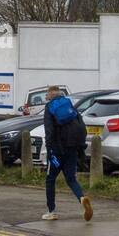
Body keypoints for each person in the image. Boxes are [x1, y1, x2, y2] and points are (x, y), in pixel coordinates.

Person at [40, 86, 93, 222]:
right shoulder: (69, 105)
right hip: (72, 148)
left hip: (57, 150)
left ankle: (51, 211)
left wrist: (50, 149)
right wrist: (80, 148)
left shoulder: (50, 108)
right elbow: (81, 125)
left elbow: (49, 131)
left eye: (47, 94)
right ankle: (82, 198)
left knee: (50, 179)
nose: (46, 96)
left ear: (50, 95)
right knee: (71, 178)